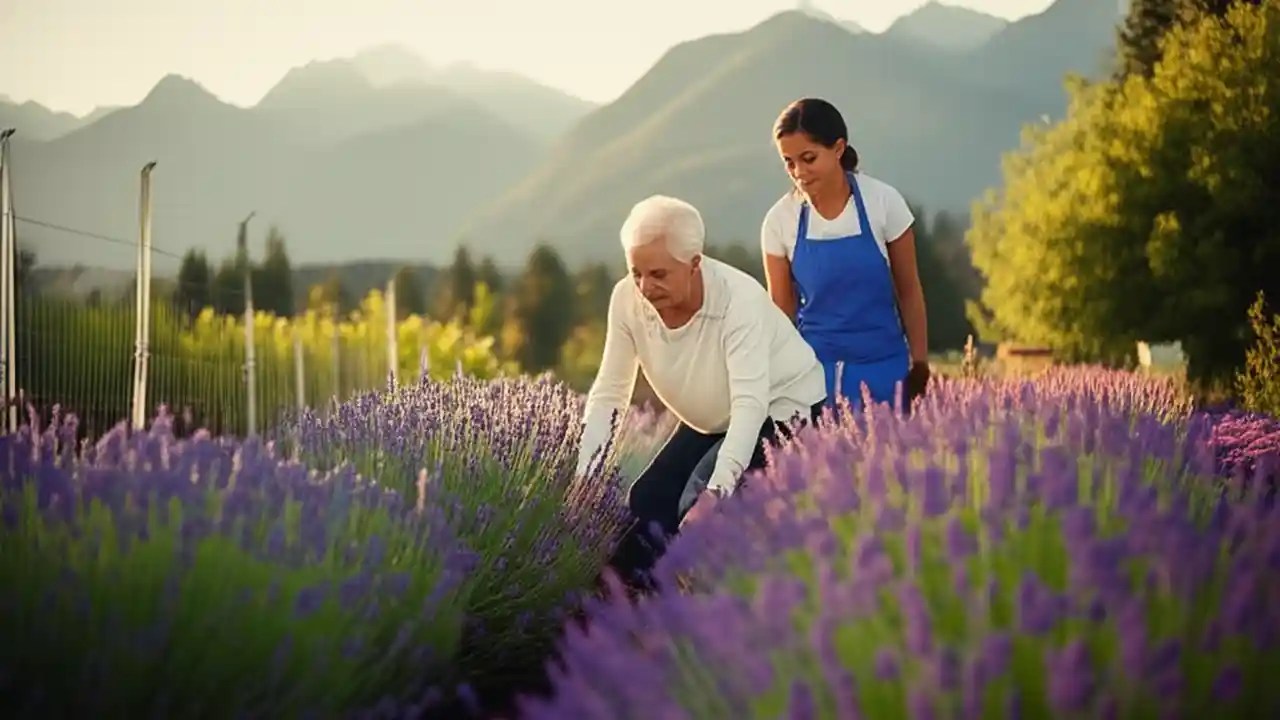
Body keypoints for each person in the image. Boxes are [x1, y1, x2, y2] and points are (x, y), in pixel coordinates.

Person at [576, 194, 827, 591]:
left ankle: (704, 619)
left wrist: (717, 492)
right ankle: (623, 619)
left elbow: (749, 406)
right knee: (648, 501)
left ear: (695, 264)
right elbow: (610, 392)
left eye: (658, 274)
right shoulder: (627, 299)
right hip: (712, 419)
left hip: (780, 409)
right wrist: (586, 474)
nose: (644, 286)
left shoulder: (736, 302)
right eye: (635, 271)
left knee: (700, 511)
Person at [760, 97, 931, 413]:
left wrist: (919, 363)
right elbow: (781, 313)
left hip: (885, 371)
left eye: (808, 158)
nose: (799, 172)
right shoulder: (779, 221)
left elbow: (909, 290)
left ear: (838, 148)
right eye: (789, 162)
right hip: (812, 379)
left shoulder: (884, 203)